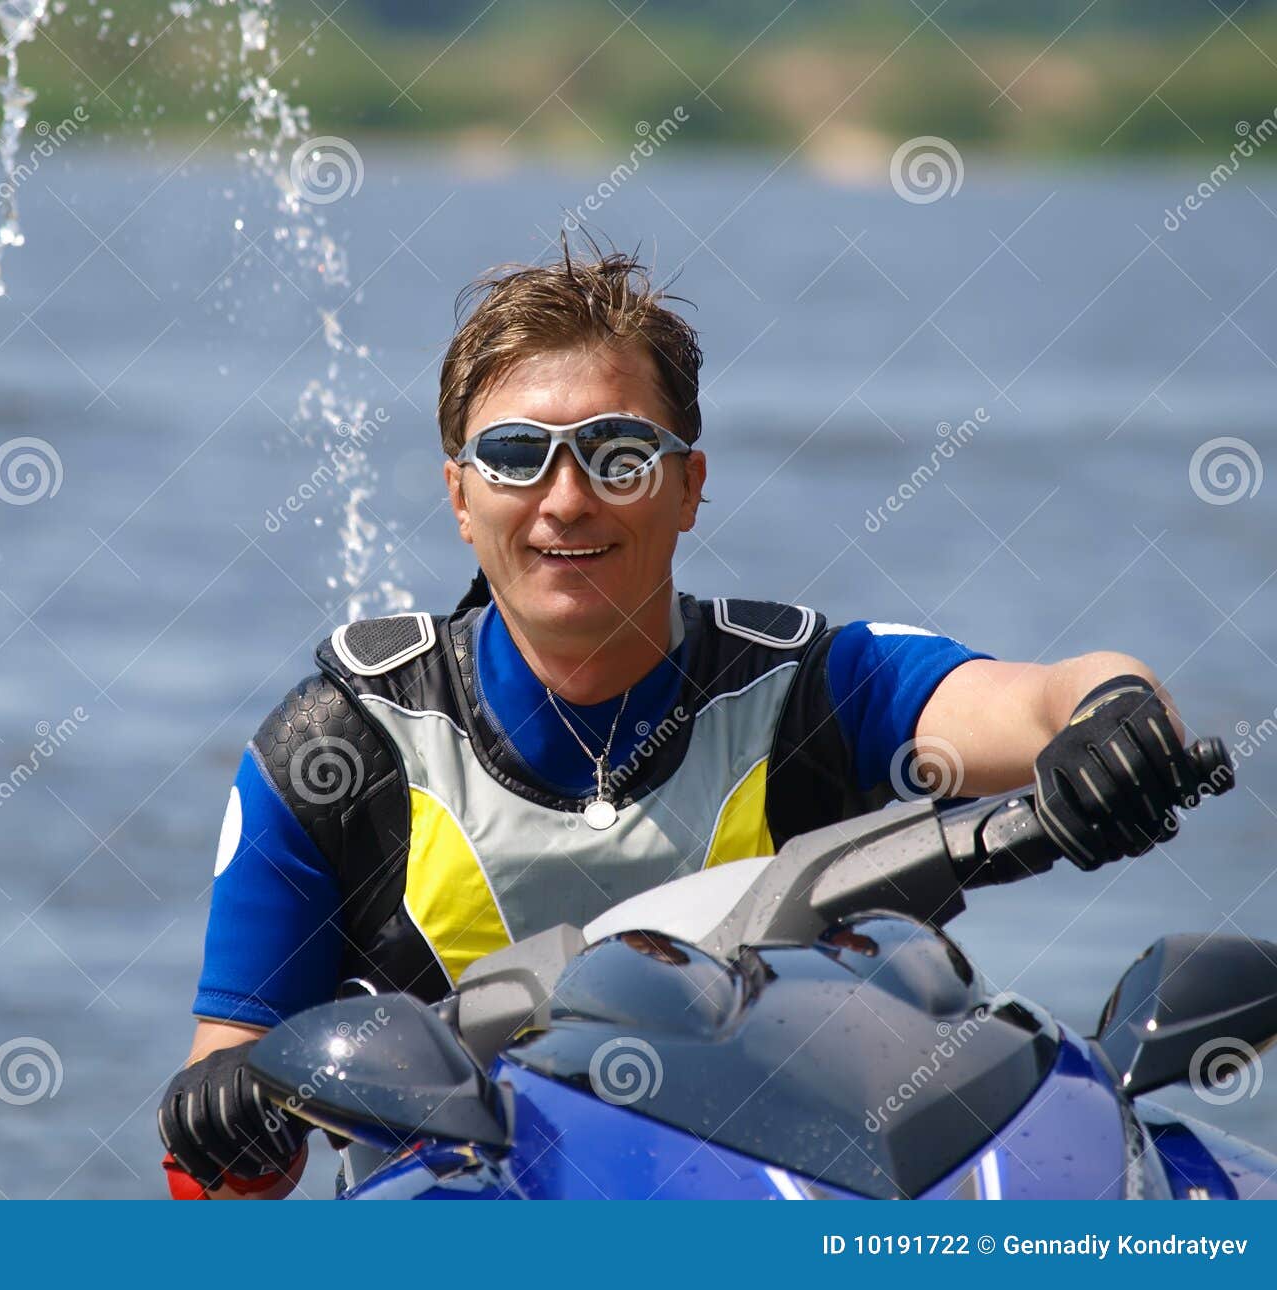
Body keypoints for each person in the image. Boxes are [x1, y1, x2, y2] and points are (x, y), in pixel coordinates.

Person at [158, 246, 1196, 1199]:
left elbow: (1051, 695)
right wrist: (230, 1117)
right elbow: (224, 1172)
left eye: (616, 453)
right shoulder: (335, 751)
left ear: (689, 484)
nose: (565, 500)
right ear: (459, 497)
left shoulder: (815, 690)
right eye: (517, 456)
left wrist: (1112, 718)